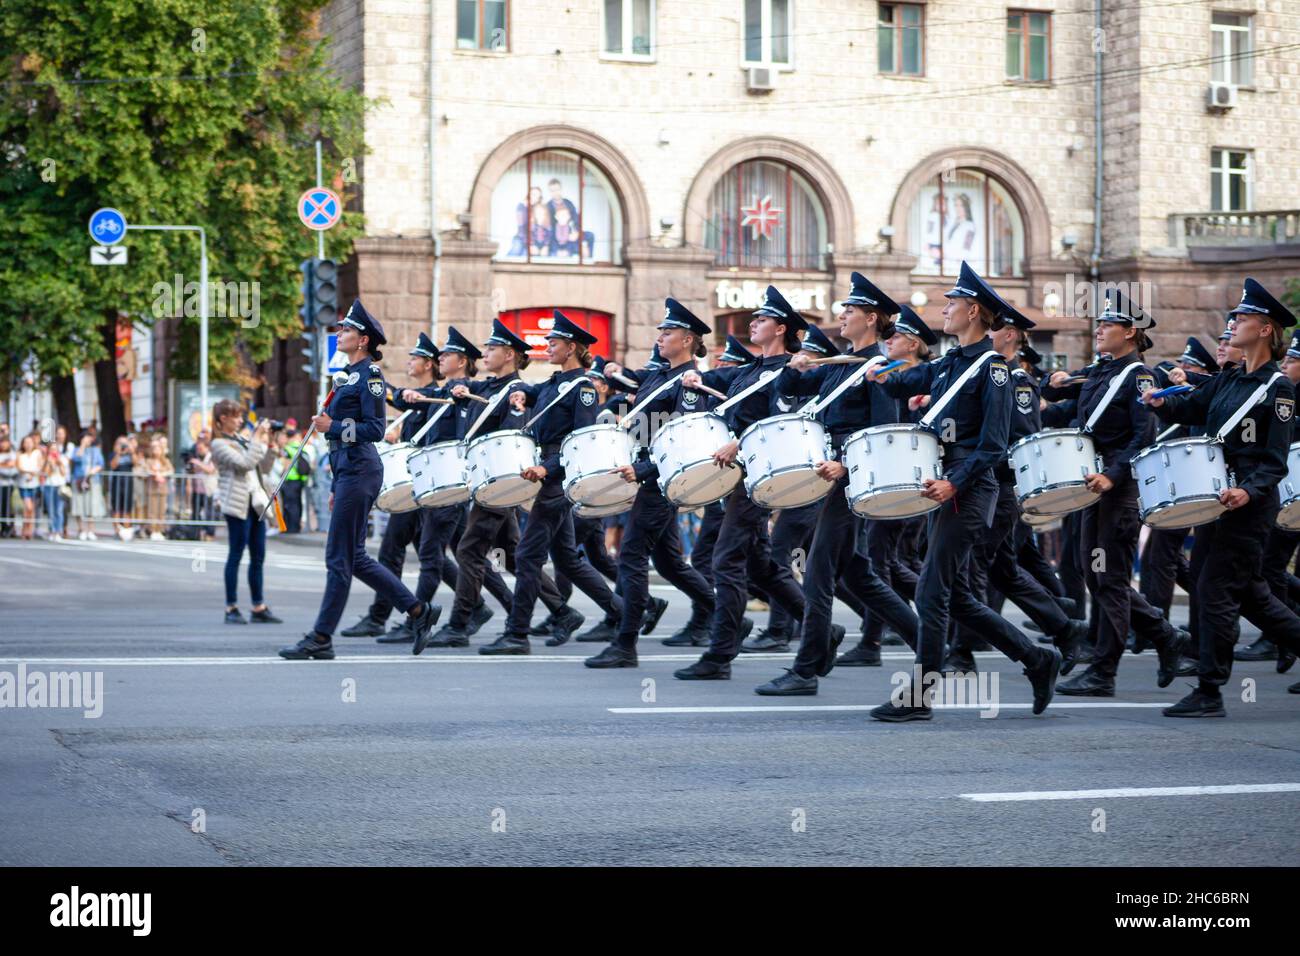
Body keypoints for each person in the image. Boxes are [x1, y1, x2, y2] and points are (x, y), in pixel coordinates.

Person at [868, 261, 1062, 721]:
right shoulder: (950, 363)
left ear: (973, 311)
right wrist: (878, 370)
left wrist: (954, 480)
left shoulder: (994, 370)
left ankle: (919, 696)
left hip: (970, 490)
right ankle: (1038, 659)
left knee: (933, 592)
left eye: (951, 303)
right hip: (944, 485)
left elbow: (994, 445)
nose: (945, 309)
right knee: (953, 596)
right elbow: (902, 380)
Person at [751, 274, 922, 695]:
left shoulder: (878, 367)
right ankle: (933, 643)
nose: (842, 314)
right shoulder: (843, 363)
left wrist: (844, 464)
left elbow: (882, 430)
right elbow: (794, 389)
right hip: (830, 479)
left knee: (819, 573)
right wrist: (794, 369)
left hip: (848, 481)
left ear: (872, 318)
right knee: (858, 575)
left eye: (851, 310)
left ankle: (806, 669)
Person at [1145, 278, 1300, 715]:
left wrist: (1247, 492)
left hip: (1247, 507)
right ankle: (1211, 682)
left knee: (1213, 589)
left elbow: (1274, 461)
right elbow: (1190, 407)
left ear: (1266, 329)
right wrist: (1159, 403)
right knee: (1251, 596)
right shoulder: (1228, 380)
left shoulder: (1277, 390)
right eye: (1234, 316)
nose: (1233, 323)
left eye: (1243, 318)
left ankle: (1210, 690)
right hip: (1218, 499)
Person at [1042, 290, 1189, 697]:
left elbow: (1144, 437)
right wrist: (1050, 381)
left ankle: (1105, 671)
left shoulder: (1137, 376)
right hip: (1095, 486)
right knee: (1097, 575)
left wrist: (1113, 474)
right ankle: (1165, 635)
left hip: (1116, 489)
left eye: (1107, 324)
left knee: (1109, 577)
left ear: (1129, 332)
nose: (1099, 328)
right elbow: (1058, 394)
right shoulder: (1101, 371)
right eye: (1100, 322)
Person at [279, 300, 439, 660]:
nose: (339, 334)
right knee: (353, 557)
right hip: (348, 472)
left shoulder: (371, 377)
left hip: (362, 469)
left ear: (363, 340)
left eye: (346, 330)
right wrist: (336, 485)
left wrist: (332, 426)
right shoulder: (348, 377)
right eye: (339, 329)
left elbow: (376, 429)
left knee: (338, 558)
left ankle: (321, 637)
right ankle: (418, 611)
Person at [674, 286, 809, 680]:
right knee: (763, 567)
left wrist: (739, 439)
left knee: (725, 560)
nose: (752, 324)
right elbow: (715, 381)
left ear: (780, 328)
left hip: (759, 478)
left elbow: (778, 426)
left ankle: (719, 655)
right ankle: (822, 629)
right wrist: (694, 377)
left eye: (761, 320)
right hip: (738, 477)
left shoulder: (788, 371)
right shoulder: (747, 370)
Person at [478, 310, 624, 655]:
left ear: (571, 347)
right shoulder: (556, 382)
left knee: (527, 555)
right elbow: (534, 391)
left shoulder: (583, 388)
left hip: (558, 478)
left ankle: (517, 634)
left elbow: (581, 441)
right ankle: (627, 612)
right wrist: (521, 396)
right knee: (568, 560)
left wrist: (548, 468)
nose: (547, 347)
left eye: (553, 342)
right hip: (547, 470)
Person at [582, 299, 718, 669]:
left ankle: (625, 644)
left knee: (631, 555)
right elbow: (645, 424)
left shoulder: (690, 384)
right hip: (646, 474)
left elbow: (684, 444)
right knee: (671, 563)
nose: (660, 336)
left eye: (668, 331)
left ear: (688, 340)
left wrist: (643, 471)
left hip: (661, 480)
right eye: (660, 330)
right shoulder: (659, 376)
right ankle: (727, 615)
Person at [422, 320, 572, 650]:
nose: (485, 353)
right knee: (515, 556)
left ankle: (460, 624)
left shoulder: (513, 391)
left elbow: (511, 439)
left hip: (500, 479)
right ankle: (562, 611)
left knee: (469, 550)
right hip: (485, 479)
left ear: (509, 354)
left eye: (491, 349)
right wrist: (458, 395)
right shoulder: (489, 388)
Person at [339, 329, 451, 641]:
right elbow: (387, 395)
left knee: (400, 551)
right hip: (412, 485)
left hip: (422, 485)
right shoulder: (415, 396)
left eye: (415, 358)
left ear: (428, 364)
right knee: (433, 553)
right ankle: (470, 606)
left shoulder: (437, 397)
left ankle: (394, 615)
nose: (410, 362)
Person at [211, 400, 282, 625]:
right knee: (236, 555)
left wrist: (269, 443)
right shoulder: (219, 444)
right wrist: (257, 438)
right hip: (237, 504)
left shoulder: (241, 440)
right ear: (223, 418)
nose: (242, 421)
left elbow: (265, 467)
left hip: (256, 503)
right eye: (237, 416)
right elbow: (245, 464)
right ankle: (230, 607)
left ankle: (258, 606)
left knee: (258, 556)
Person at [69, 429, 106, 540]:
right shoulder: (76, 449)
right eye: (87, 437)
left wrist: (94, 471)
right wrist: (82, 445)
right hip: (79, 480)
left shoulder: (95, 450)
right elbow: (76, 458)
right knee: (79, 504)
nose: (89, 440)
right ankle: (81, 529)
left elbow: (101, 463)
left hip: (92, 480)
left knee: (91, 505)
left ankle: (90, 529)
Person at [279, 426, 310, 534]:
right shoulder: (301, 447)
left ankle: (289, 527)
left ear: (288, 437)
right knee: (297, 504)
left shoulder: (287, 449)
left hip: (290, 480)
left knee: (289, 504)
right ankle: (296, 526)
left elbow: (285, 465)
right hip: (300, 479)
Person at [40, 430, 69, 540]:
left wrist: (58, 462)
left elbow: (64, 473)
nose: (53, 451)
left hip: (60, 485)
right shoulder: (46, 460)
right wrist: (49, 463)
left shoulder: (63, 459)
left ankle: (59, 531)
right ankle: (52, 530)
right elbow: (47, 473)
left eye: (55, 449)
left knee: (59, 510)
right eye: (51, 450)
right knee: (51, 510)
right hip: (49, 485)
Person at [107, 435, 136, 540]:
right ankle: (117, 531)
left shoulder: (130, 454)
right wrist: (118, 453)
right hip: (117, 483)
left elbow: (135, 463)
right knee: (117, 508)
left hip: (128, 483)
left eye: (124, 443)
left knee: (127, 508)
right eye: (120, 443)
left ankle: (126, 531)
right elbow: (113, 465)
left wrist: (131, 450)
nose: (123, 446)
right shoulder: (113, 454)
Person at [15, 434, 43, 540]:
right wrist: (28, 472)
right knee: (28, 507)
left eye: (30, 442)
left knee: (31, 509)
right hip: (23, 484)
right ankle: (24, 528)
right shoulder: (20, 454)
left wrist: (33, 474)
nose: (28, 444)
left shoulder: (37, 453)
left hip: (34, 484)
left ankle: (28, 530)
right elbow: (18, 466)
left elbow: (39, 466)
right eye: (25, 442)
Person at [0, 436, 16, 538]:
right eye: (2, 442)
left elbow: (12, 470)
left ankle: (8, 528)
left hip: (8, 485)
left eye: (5, 442)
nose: (3, 444)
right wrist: (5, 465)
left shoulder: (12, 455)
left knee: (6, 506)